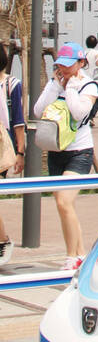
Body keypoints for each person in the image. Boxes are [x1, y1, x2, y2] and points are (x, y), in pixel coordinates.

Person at [34, 45, 98, 272]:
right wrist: (56, 85)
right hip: (57, 151)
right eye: (60, 63)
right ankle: (80, 253)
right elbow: (38, 110)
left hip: (80, 152)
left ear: (81, 62)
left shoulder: (89, 86)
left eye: (68, 63)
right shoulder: (56, 83)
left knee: (64, 201)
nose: (63, 67)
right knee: (64, 206)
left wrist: (71, 88)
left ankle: (72, 256)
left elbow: (78, 112)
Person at [0, 42, 26, 266]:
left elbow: (18, 120)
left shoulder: (11, 84)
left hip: (2, 146)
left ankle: (4, 240)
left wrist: (20, 152)